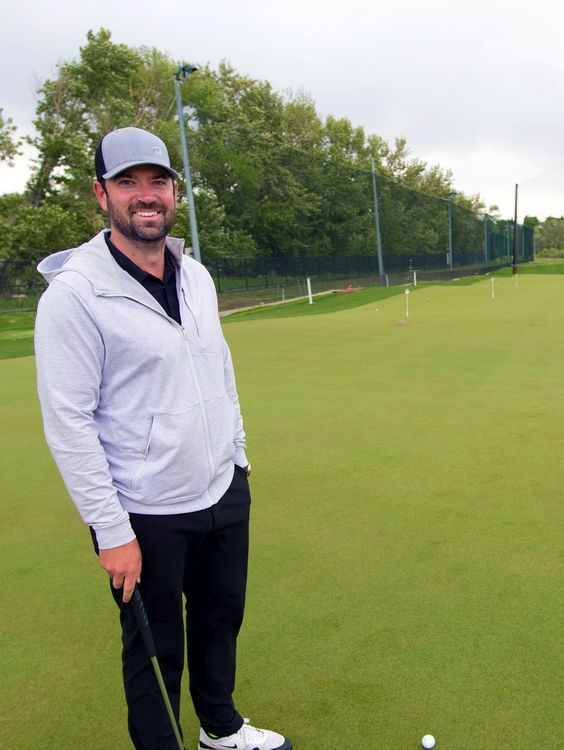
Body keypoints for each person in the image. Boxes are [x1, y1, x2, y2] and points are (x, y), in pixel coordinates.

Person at [35, 127, 291, 750]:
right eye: (128, 183)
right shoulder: (75, 296)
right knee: (155, 649)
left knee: (219, 619)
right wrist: (110, 529)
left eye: (157, 182)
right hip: (144, 511)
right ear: (101, 194)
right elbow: (68, 423)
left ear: (174, 191)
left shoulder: (195, 275)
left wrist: (239, 460)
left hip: (221, 489)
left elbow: (218, 370)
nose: (145, 196)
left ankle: (220, 728)